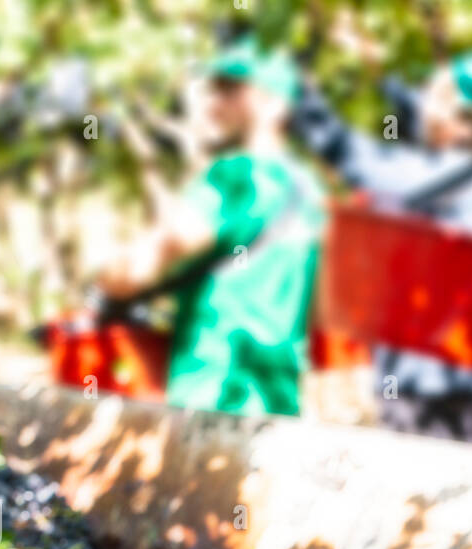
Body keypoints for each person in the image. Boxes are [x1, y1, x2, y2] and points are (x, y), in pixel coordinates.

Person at [294, 50, 472, 441]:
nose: (424, 100)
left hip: (422, 398)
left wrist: (289, 77)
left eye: (437, 93)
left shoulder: (427, 179)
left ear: (465, 124)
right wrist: (379, 70)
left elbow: (342, 148)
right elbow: (424, 112)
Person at [99, 39, 324, 417]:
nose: (216, 99)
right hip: (279, 394)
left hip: (212, 386)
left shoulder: (233, 178)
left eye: (231, 88)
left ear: (272, 102)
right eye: (216, 87)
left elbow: (156, 255)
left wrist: (108, 281)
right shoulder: (310, 190)